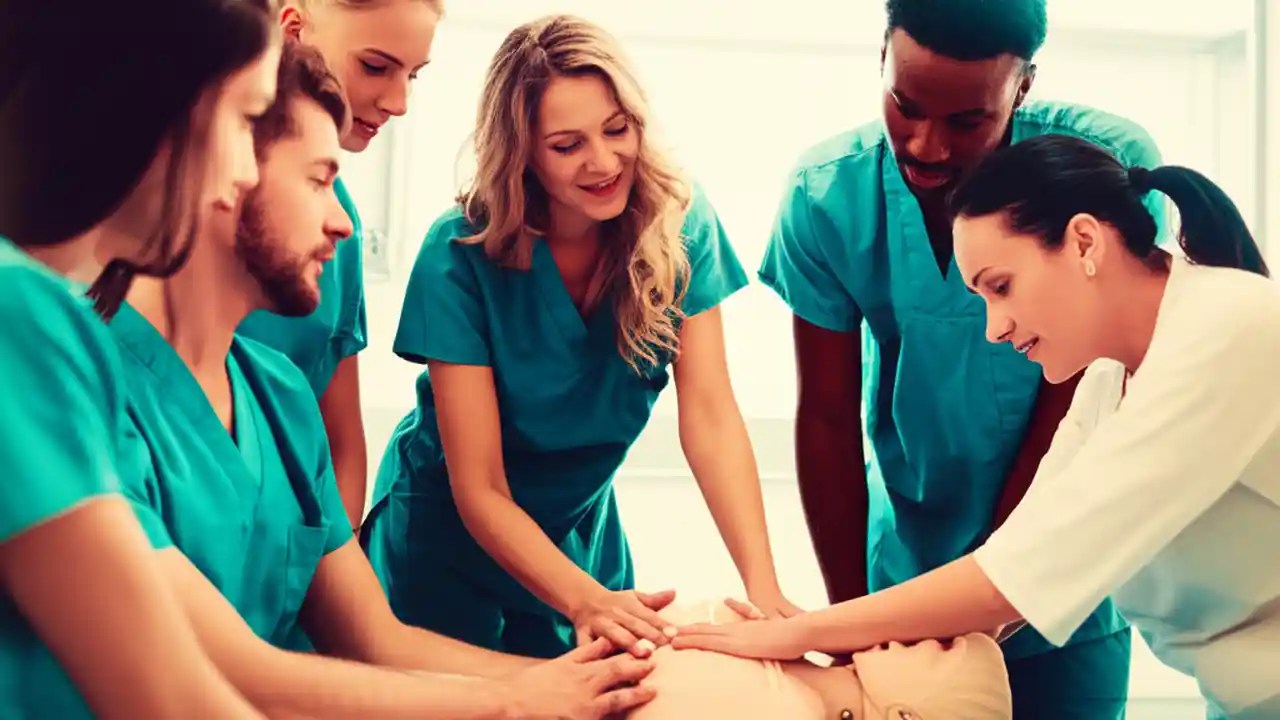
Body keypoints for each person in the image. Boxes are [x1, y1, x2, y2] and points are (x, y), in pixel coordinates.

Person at [112, 39, 657, 720]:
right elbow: (201, 666)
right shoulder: (83, 386)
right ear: (220, 171)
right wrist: (517, 700)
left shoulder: (279, 395)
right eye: (318, 181)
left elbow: (377, 639)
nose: (342, 222)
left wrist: (582, 684)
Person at [673, 134, 1280, 720]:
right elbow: (1015, 559)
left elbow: (1009, 582)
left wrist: (795, 635)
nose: (994, 328)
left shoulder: (1226, 331)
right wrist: (834, 667)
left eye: (1001, 287)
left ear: (1084, 244)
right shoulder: (1106, 383)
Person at [757, 0, 1167, 715]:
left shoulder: (1104, 170)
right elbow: (824, 416)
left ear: (1023, 87)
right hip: (910, 557)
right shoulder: (828, 195)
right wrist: (855, 626)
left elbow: (1077, 394)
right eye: (904, 105)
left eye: (967, 121)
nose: (925, 145)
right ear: (879, 58)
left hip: (1060, 555)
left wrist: (999, 583)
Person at [362, 13, 798, 661]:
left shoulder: (680, 223)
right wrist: (584, 601)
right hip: (447, 546)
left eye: (616, 130)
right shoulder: (458, 255)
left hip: (578, 534)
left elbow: (709, 415)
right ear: (524, 154)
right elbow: (478, 486)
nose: (604, 162)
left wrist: (765, 592)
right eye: (568, 146)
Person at [0, 1, 281, 716]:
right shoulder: (20, 317)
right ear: (159, 105)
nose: (248, 173)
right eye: (248, 119)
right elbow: (173, 698)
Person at [238, 0, 442, 530]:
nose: (398, 103)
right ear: (293, 28)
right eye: (375, 66)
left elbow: (340, 443)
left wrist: (327, 570)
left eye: (414, 75)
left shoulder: (340, 226)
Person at [630, 599, 1011, 720]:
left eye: (939, 652)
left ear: (904, 714)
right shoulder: (773, 638)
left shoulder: (784, 708)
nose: (919, 638)